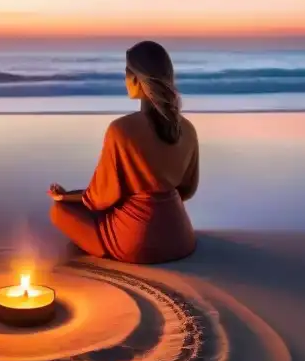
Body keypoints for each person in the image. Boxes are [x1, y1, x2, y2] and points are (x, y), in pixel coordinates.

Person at [48, 40, 199, 263]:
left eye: (126, 74)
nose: (125, 80)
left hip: (137, 243)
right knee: (110, 209)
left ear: (136, 79)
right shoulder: (187, 129)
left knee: (59, 211)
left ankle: (99, 247)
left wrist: (65, 196)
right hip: (181, 237)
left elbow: (100, 199)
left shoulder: (121, 130)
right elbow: (186, 191)